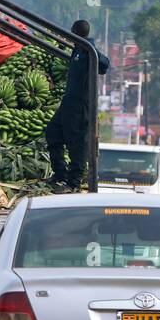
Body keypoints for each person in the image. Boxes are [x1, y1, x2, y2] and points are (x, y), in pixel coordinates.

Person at [45, 19, 109, 193]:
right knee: (52, 132)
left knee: (77, 143)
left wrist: (91, 49)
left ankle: (73, 182)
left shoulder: (88, 49)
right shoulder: (77, 49)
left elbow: (104, 64)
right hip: (68, 102)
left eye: (72, 32)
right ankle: (60, 174)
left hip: (81, 104)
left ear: (76, 32)